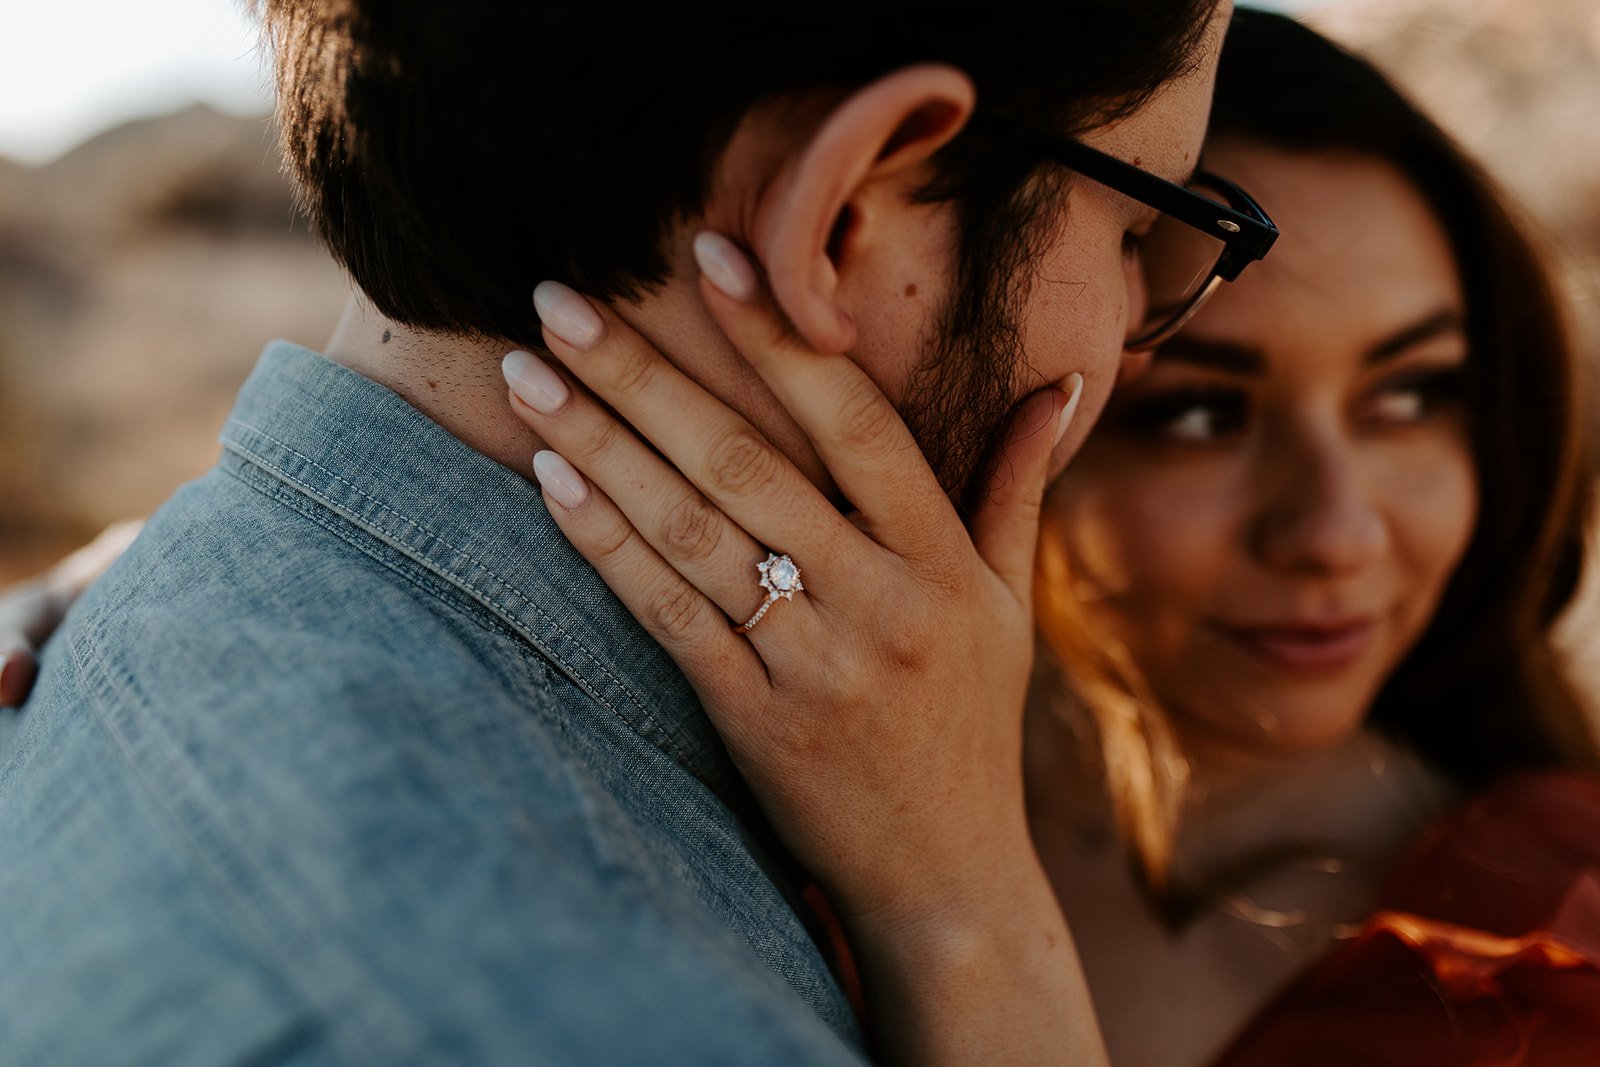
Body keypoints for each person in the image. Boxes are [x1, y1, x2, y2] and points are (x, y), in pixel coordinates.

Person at [0, 1, 1252, 1063]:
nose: (1144, 330)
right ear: (845, 218)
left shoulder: (154, 618)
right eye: (1136, 229)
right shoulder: (604, 1019)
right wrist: (971, 923)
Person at [459, 9, 1600, 1065]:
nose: (1335, 532)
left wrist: (960, 909)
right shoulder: (729, 818)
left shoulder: (1553, 945)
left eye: (1411, 397)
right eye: (1199, 414)